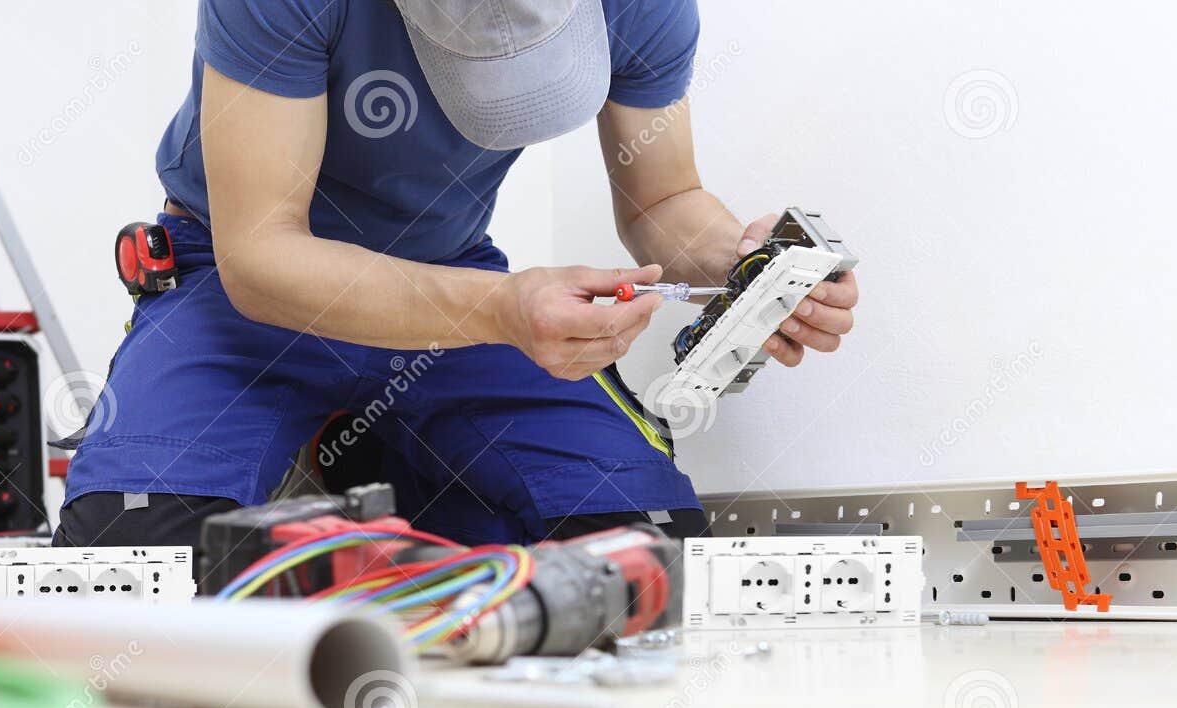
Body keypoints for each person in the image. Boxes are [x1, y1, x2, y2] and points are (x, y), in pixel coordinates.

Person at [56, 0, 859, 550]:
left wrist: (748, 265)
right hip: (244, 287)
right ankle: (363, 464)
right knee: (129, 550)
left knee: (644, 544)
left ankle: (372, 467)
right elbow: (263, 256)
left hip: (451, 291)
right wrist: (506, 310)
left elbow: (667, 197)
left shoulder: (642, 6)